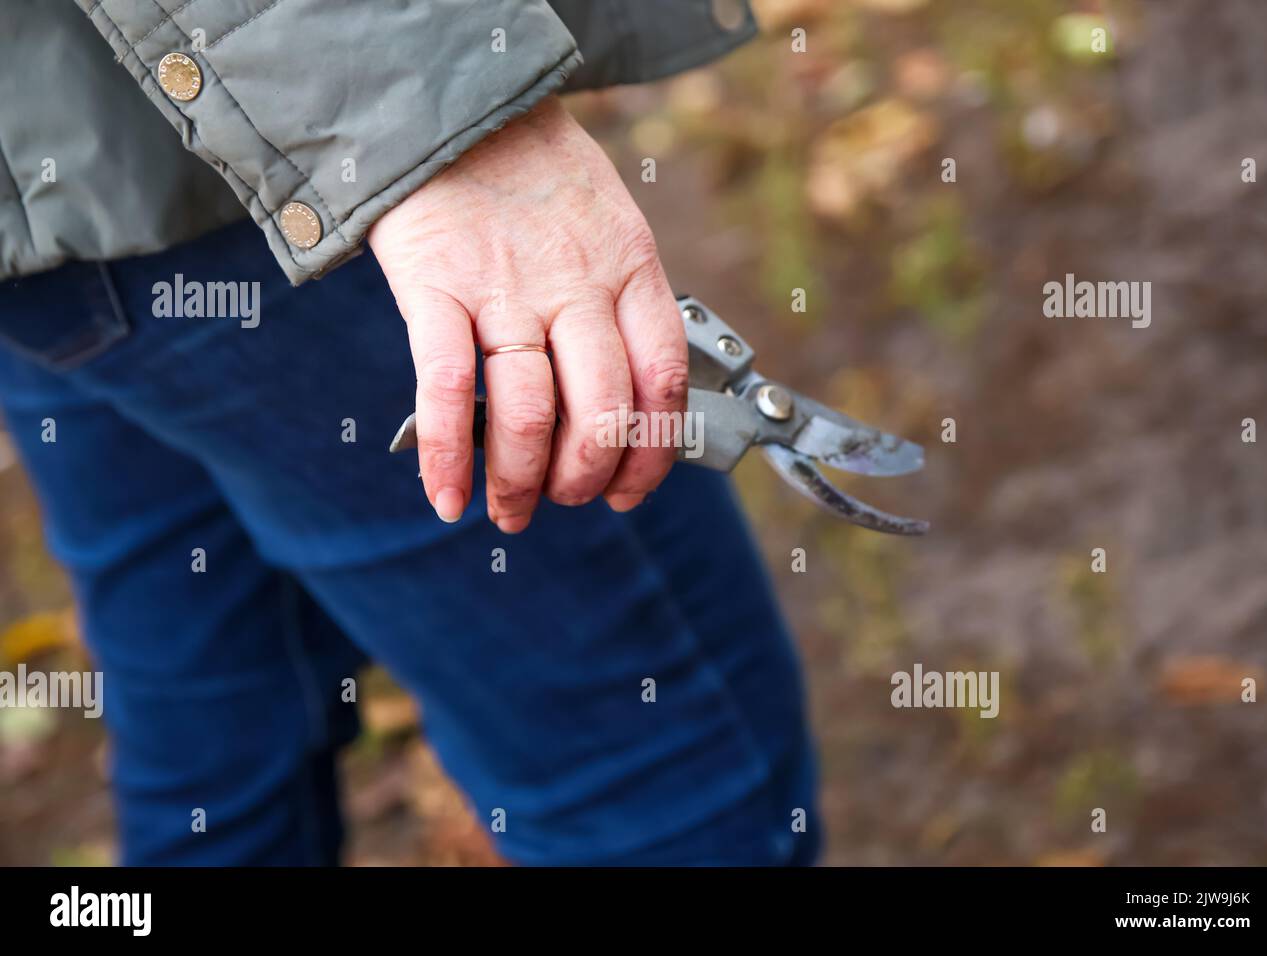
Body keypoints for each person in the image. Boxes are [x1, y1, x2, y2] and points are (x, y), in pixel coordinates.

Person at [0, 0, 820, 865]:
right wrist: (437, 125)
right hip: (281, 173)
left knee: (212, 746)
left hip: (54, 183)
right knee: (671, 780)